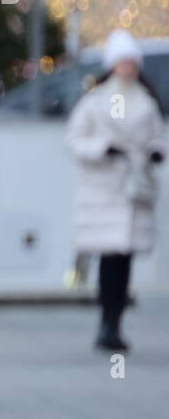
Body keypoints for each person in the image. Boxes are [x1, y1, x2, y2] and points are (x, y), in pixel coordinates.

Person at [65, 29, 164, 352]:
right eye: (123, 62)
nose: (128, 69)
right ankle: (107, 321)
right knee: (110, 259)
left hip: (133, 190)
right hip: (104, 190)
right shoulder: (95, 101)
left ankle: (114, 321)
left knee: (124, 260)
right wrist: (103, 148)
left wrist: (155, 151)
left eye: (132, 63)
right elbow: (75, 139)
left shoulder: (146, 101)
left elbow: (157, 136)